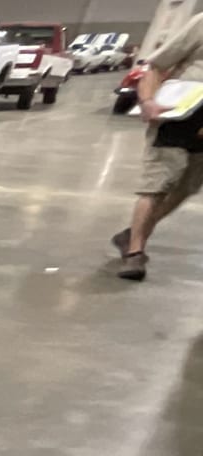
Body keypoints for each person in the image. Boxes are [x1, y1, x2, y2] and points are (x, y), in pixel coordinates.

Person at [114, 12, 203, 280]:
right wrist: (148, 101)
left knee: (186, 187)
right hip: (178, 115)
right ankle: (134, 254)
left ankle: (131, 234)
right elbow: (156, 64)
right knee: (156, 185)